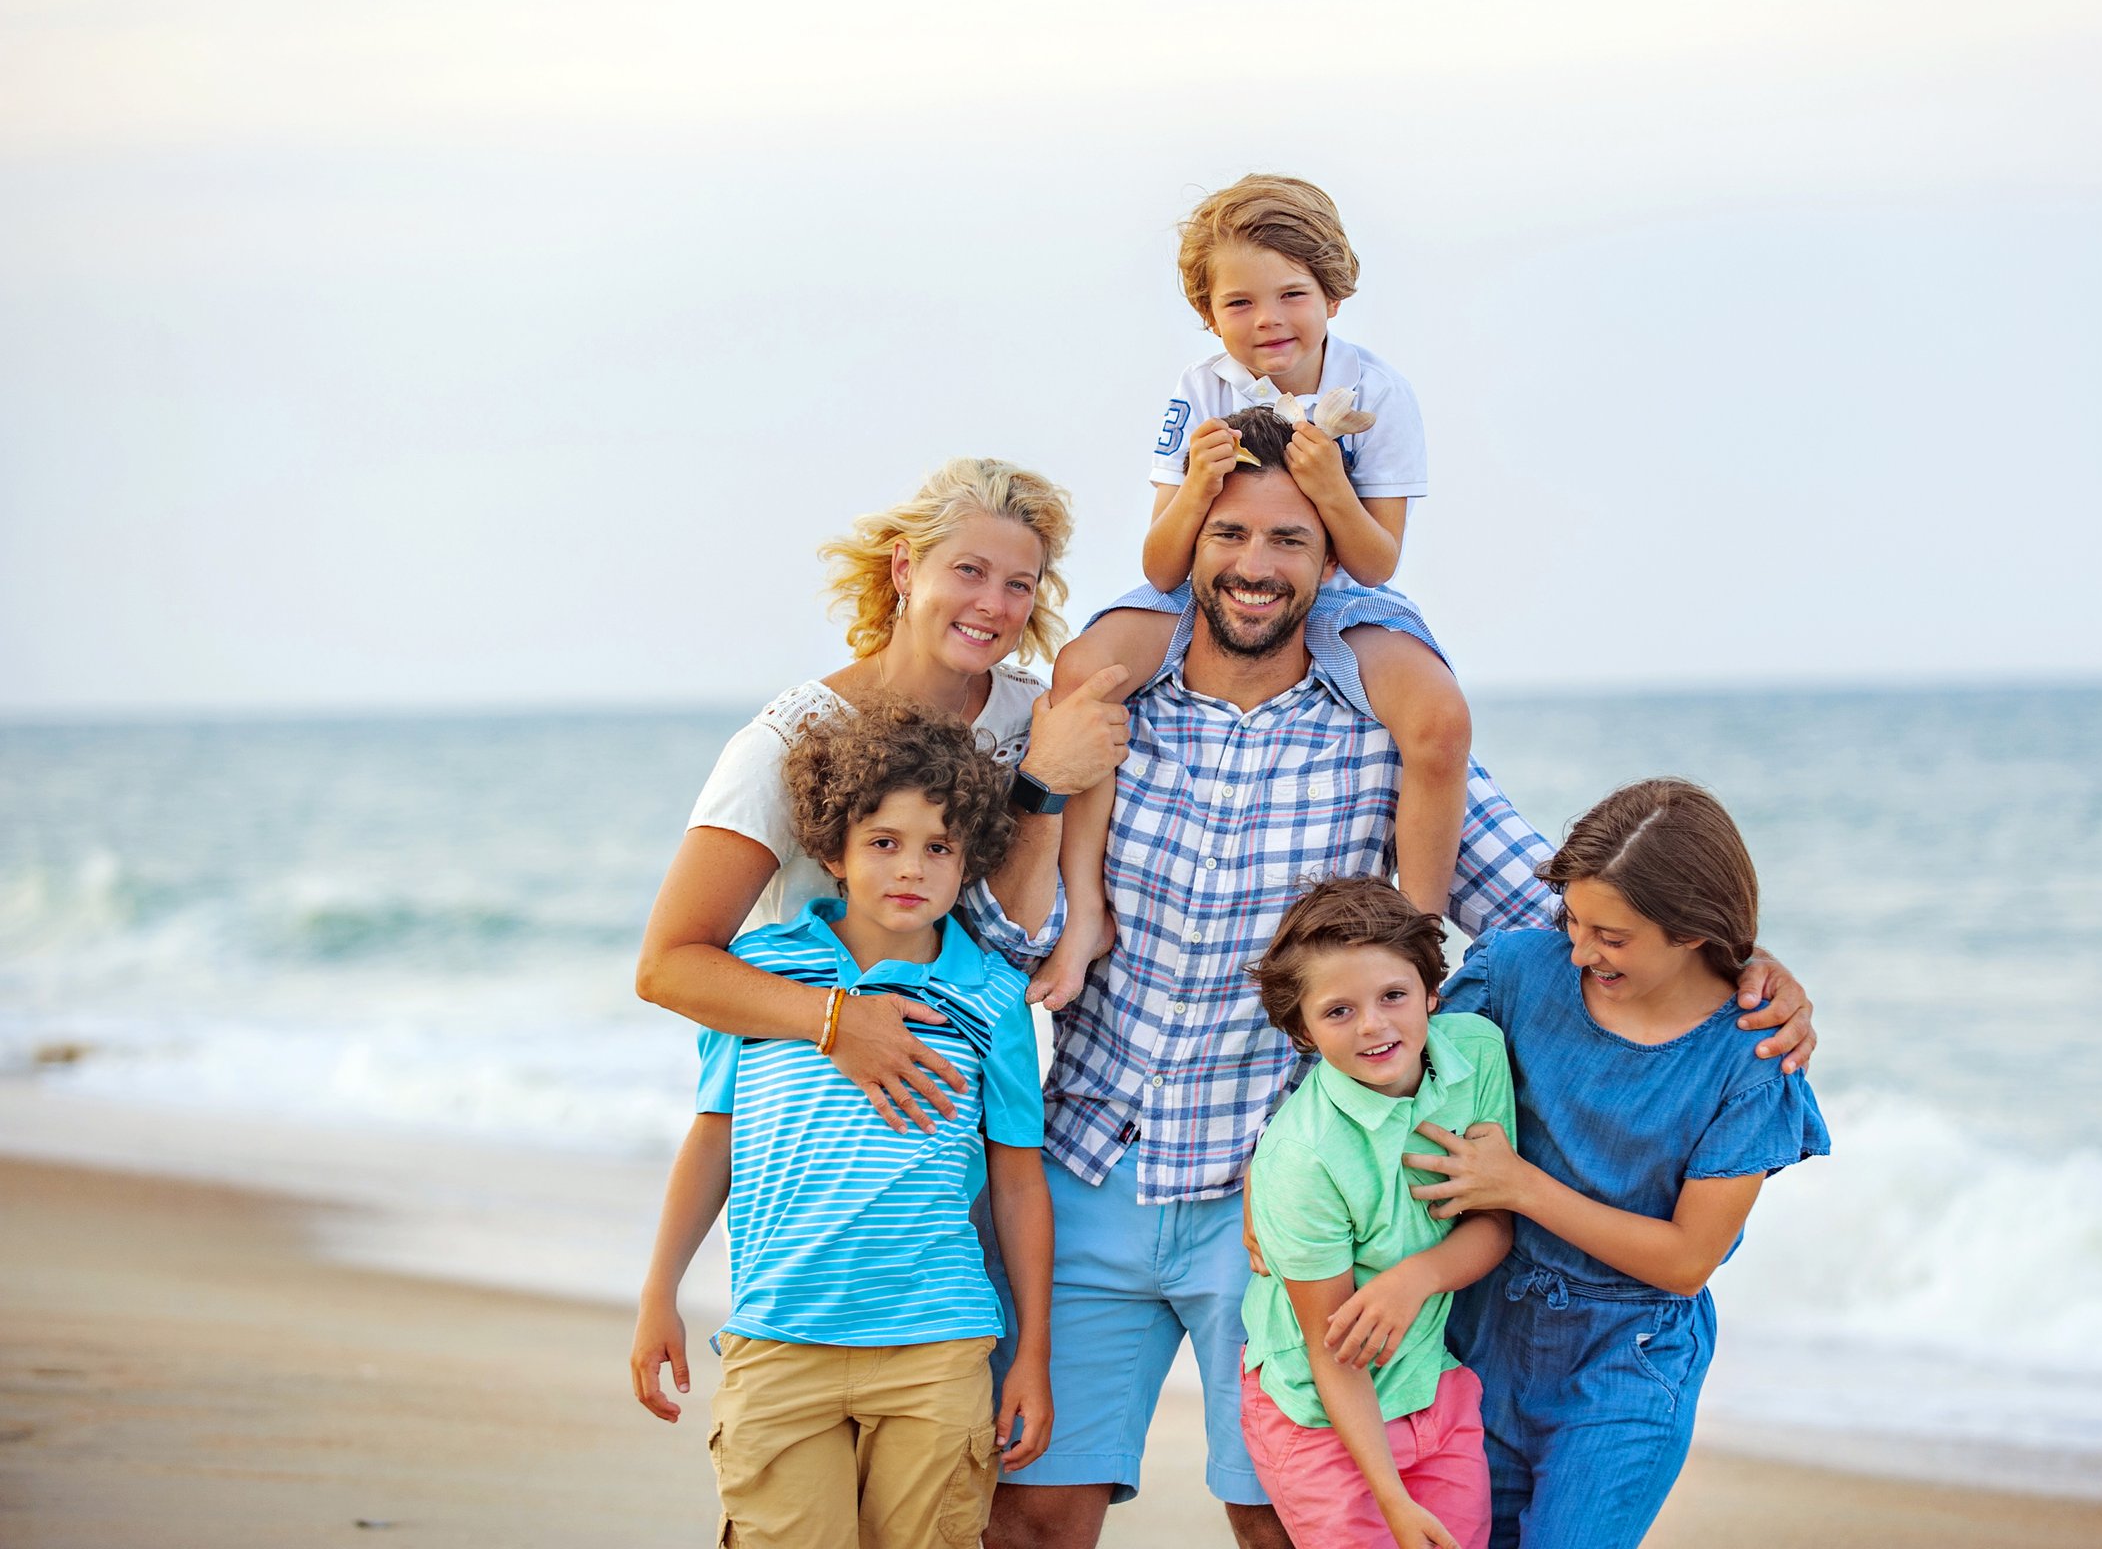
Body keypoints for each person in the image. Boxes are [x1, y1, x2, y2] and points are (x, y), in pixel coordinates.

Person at [982, 416, 1817, 1549]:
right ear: (1189, 542)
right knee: (1030, 1516)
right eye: (1229, 531)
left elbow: (1567, 909)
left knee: (1286, 1521)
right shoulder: (1110, 708)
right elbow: (981, 920)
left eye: (1292, 535)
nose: (1256, 563)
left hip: (1277, 1200)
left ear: (1333, 564)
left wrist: (1737, 958)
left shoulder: (1391, 737)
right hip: (1090, 1166)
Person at [628, 694, 1055, 1549]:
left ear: (967, 860)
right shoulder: (760, 972)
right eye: (884, 844)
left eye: (938, 848)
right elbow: (714, 1138)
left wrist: (1033, 1357)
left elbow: (1016, 1179)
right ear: (832, 851)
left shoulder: (992, 996)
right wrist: (657, 1296)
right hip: (780, 1335)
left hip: (938, 1347)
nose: (912, 869)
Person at [1032, 175, 1470, 1008]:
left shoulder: (1379, 393)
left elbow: (1377, 563)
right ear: (1207, 313)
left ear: (1335, 296)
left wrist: (1327, 489)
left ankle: (1414, 939)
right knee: (1085, 669)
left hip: (1333, 585)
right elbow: (1163, 568)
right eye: (1239, 303)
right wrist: (1199, 492)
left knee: (1440, 720)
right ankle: (1086, 908)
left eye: (1292, 295)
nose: (1268, 320)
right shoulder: (1199, 389)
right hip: (1209, 578)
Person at [634, 457, 1130, 1132]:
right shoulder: (785, 742)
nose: (994, 604)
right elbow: (668, 966)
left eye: (1020, 584)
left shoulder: (1032, 720)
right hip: (817, 1119)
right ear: (904, 569)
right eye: (969, 571)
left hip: (966, 1116)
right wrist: (840, 1022)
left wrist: (1046, 805)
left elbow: (1013, 934)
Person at [1405, 779, 1831, 1549]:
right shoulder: (1514, 973)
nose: (1578, 949)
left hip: (1628, 1362)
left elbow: (1685, 1261)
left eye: (1612, 936)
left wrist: (1522, 1186)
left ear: (1694, 930)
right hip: (1477, 1331)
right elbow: (1395, 1089)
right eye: (1572, 919)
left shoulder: (1751, 1057)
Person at [1238, 877, 1515, 1549]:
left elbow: (1495, 1219)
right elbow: (1332, 1354)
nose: (1373, 1025)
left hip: (1432, 1387)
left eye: (1393, 994)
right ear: (1302, 1029)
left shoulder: (1475, 1051)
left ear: (1430, 991)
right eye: (1337, 1011)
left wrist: (1409, 1280)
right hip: (1321, 1414)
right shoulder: (1303, 1158)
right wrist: (1390, 1500)